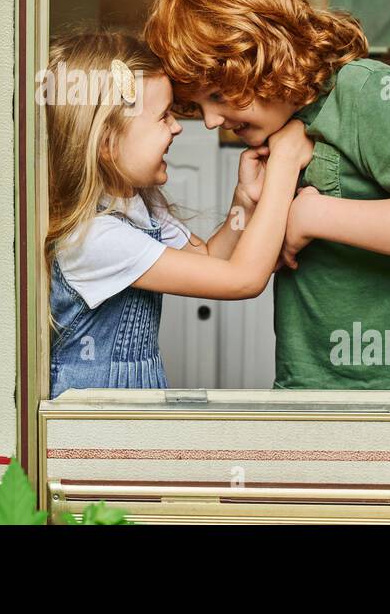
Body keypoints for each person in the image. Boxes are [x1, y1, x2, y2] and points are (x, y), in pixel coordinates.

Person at [143, 0, 390, 390]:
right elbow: (227, 269)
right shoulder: (276, 131)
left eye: (217, 95)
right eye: (199, 104)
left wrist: (313, 216)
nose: (211, 121)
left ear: (264, 55)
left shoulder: (366, 92)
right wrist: (243, 205)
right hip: (302, 383)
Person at [43, 30, 312, 397]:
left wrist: (244, 202)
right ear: (107, 142)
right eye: (163, 116)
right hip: (98, 418)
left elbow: (208, 257)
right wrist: (285, 163)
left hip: (136, 402)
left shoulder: (138, 203)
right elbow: (242, 279)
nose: (176, 127)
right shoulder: (93, 238)